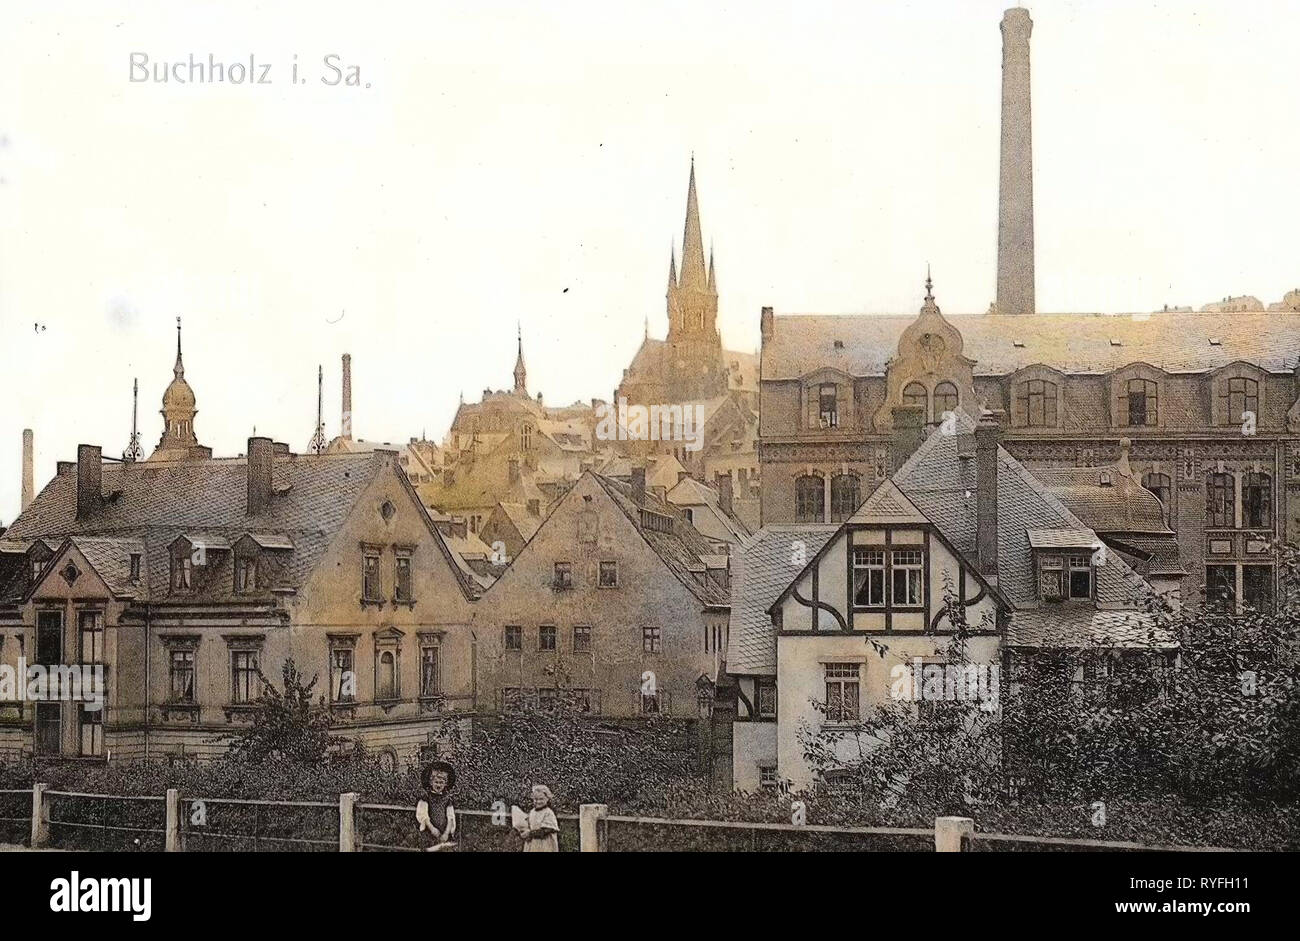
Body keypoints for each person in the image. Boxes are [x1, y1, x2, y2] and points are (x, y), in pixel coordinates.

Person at [415, 760, 457, 850]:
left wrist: (446, 833)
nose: (438, 785)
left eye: (441, 783)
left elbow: (450, 817)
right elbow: (423, 815)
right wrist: (432, 828)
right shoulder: (426, 797)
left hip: (444, 832)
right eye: (436, 782)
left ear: (445, 784)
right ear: (431, 783)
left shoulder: (447, 799)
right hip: (430, 832)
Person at [519, 784, 559, 852]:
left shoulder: (548, 813)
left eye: (541, 799)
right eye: (535, 799)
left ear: (547, 799)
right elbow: (529, 825)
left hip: (545, 844)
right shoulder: (532, 812)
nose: (538, 801)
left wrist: (530, 833)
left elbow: (547, 830)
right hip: (533, 844)